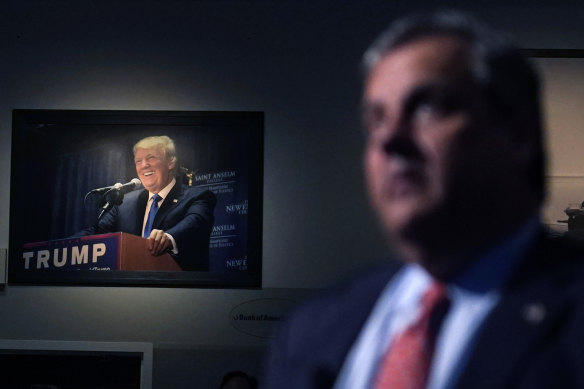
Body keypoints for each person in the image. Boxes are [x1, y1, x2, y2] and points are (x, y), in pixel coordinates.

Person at [263, 11, 584, 389]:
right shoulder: (312, 329)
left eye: (428, 107)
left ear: (518, 134)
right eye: (376, 120)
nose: (389, 140)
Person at [79, 135, 216, 271]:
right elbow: (97, 232)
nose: (144, 165)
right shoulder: (124, 202)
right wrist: (63, 246)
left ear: (171, 162)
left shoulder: (198, 196)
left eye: (151, 158)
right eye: (138, 161)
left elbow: (195, 221)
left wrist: (168, 237)